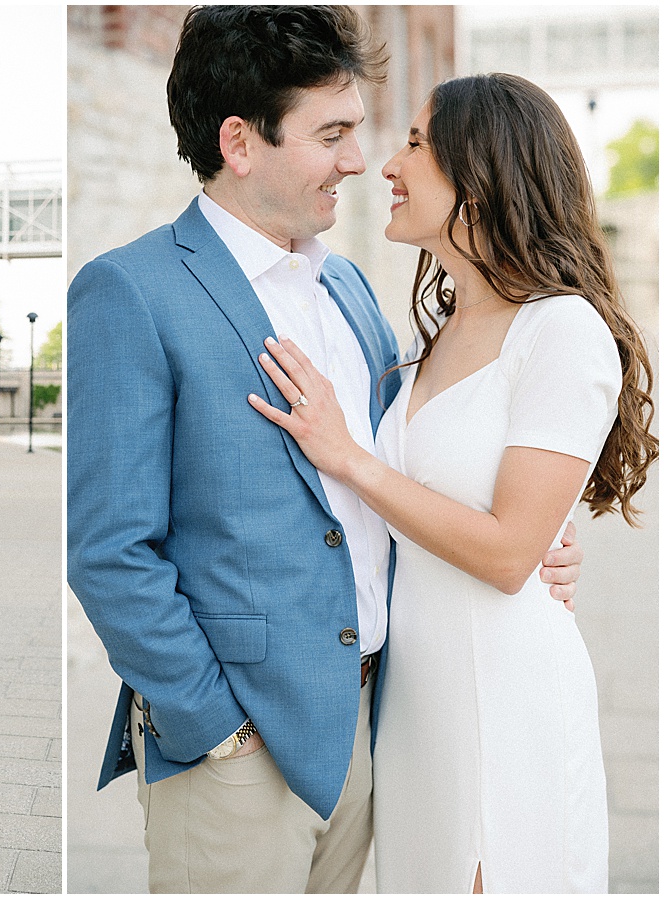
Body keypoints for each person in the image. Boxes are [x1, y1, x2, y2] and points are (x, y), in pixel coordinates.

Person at [67, 7, 585, 893]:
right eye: (332, 133)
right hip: (238, 747)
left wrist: (539, 536)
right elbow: (109, 551)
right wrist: (214, 727)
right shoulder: (132, 291)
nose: (358, 159)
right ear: (240, 141)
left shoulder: (346, 285)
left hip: (376, 728)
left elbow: (406, 469)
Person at [248, 73, 657, 893]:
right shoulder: (438, 333)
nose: (386, 165)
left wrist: (350, 456)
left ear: (483, 173)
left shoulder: (563, 330)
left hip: (502, 702)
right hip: (414, 708)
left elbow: (509, 555)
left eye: (415, 144)